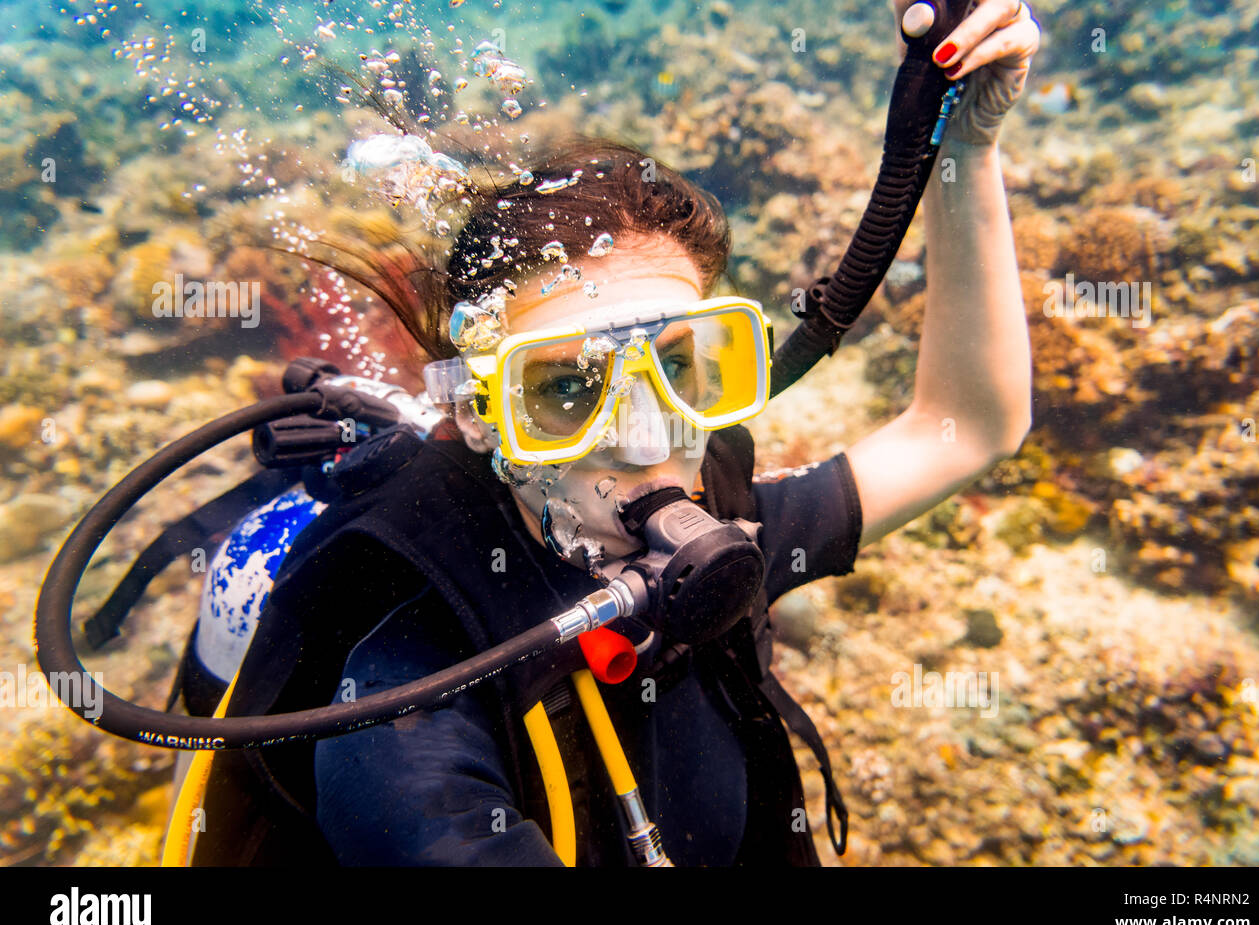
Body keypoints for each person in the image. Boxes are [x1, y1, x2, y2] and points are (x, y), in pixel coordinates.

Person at [198, 0, 1040, 866]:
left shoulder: (729, 519)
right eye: (566, 386)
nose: (645, 442)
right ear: (481, 413)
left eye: (675, 366)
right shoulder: (410, 691)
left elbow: (970, 426)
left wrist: (967, 149)